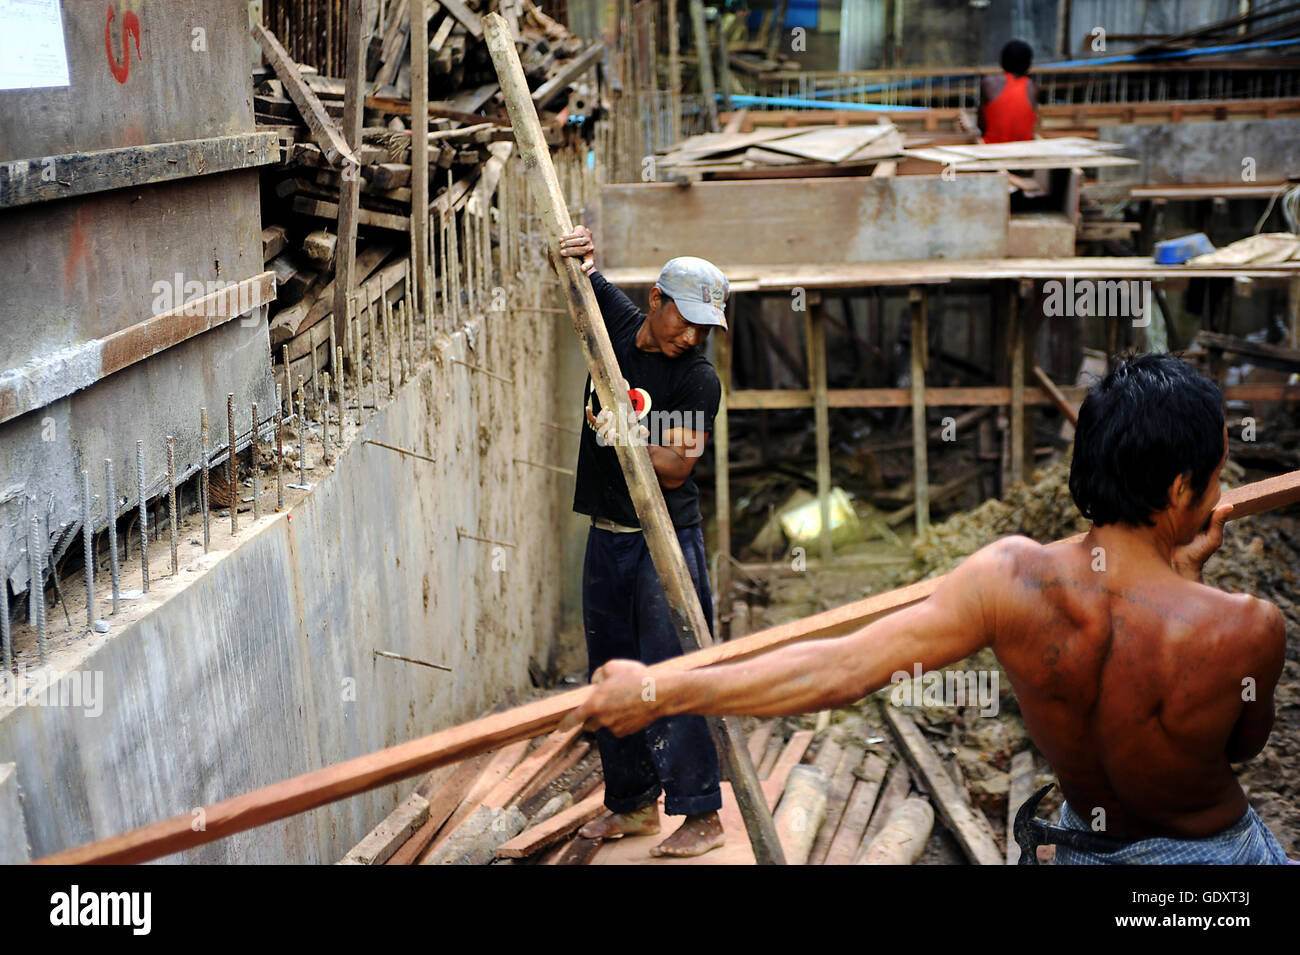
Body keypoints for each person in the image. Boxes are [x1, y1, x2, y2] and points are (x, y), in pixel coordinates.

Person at [569, 353, 1291, 864]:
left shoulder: (1011, 579)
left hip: (1082, 849)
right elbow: (1235, 750)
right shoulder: (1247, 627)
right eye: (1217, 475)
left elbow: (839, 666)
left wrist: (658, 686)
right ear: (1179, 492)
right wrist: (1186, 583)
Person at [556, 225, 730, 858]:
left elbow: (680, 466)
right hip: (607, 534)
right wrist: (581, 249)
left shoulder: (697, 380)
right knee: (611, 672)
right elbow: (585, 275)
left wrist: (625, 435)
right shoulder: (620, 326)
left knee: (671, 673)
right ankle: (632, 807)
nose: (692, 336)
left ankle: (701, 814)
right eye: (686, 320)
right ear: (656, 301)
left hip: (666, 544)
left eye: (705, 328)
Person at [979, 39, 1041, 143]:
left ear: (1002, 62)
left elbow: (981, 125)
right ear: (1029, 65)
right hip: (1025, 150)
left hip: (992, 149)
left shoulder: (989, 83)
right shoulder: (1033, 88)